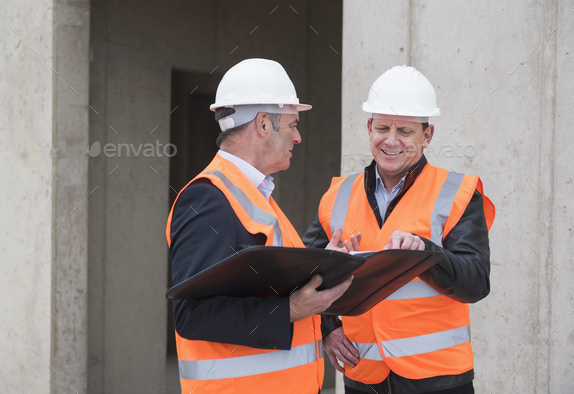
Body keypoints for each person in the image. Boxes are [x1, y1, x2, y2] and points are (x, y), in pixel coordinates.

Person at [166, 58, 357, 394]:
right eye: (293, 124)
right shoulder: (207, 199)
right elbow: (192, 315)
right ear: (264, 124)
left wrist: (323, 267)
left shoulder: (255, 196)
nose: (298, 137)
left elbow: (261, 284)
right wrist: (293, 309)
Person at [303, 65, 495, 394]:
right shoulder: (337, 197)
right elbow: (302, 276)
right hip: (363, 378)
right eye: (382, 128)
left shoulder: (458, 193)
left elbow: (476, 283)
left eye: (405, 131)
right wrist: (327, 328)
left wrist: (426, 253)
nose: (391, 141)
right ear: (368, 128)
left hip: (439, 380)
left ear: (427, 136)